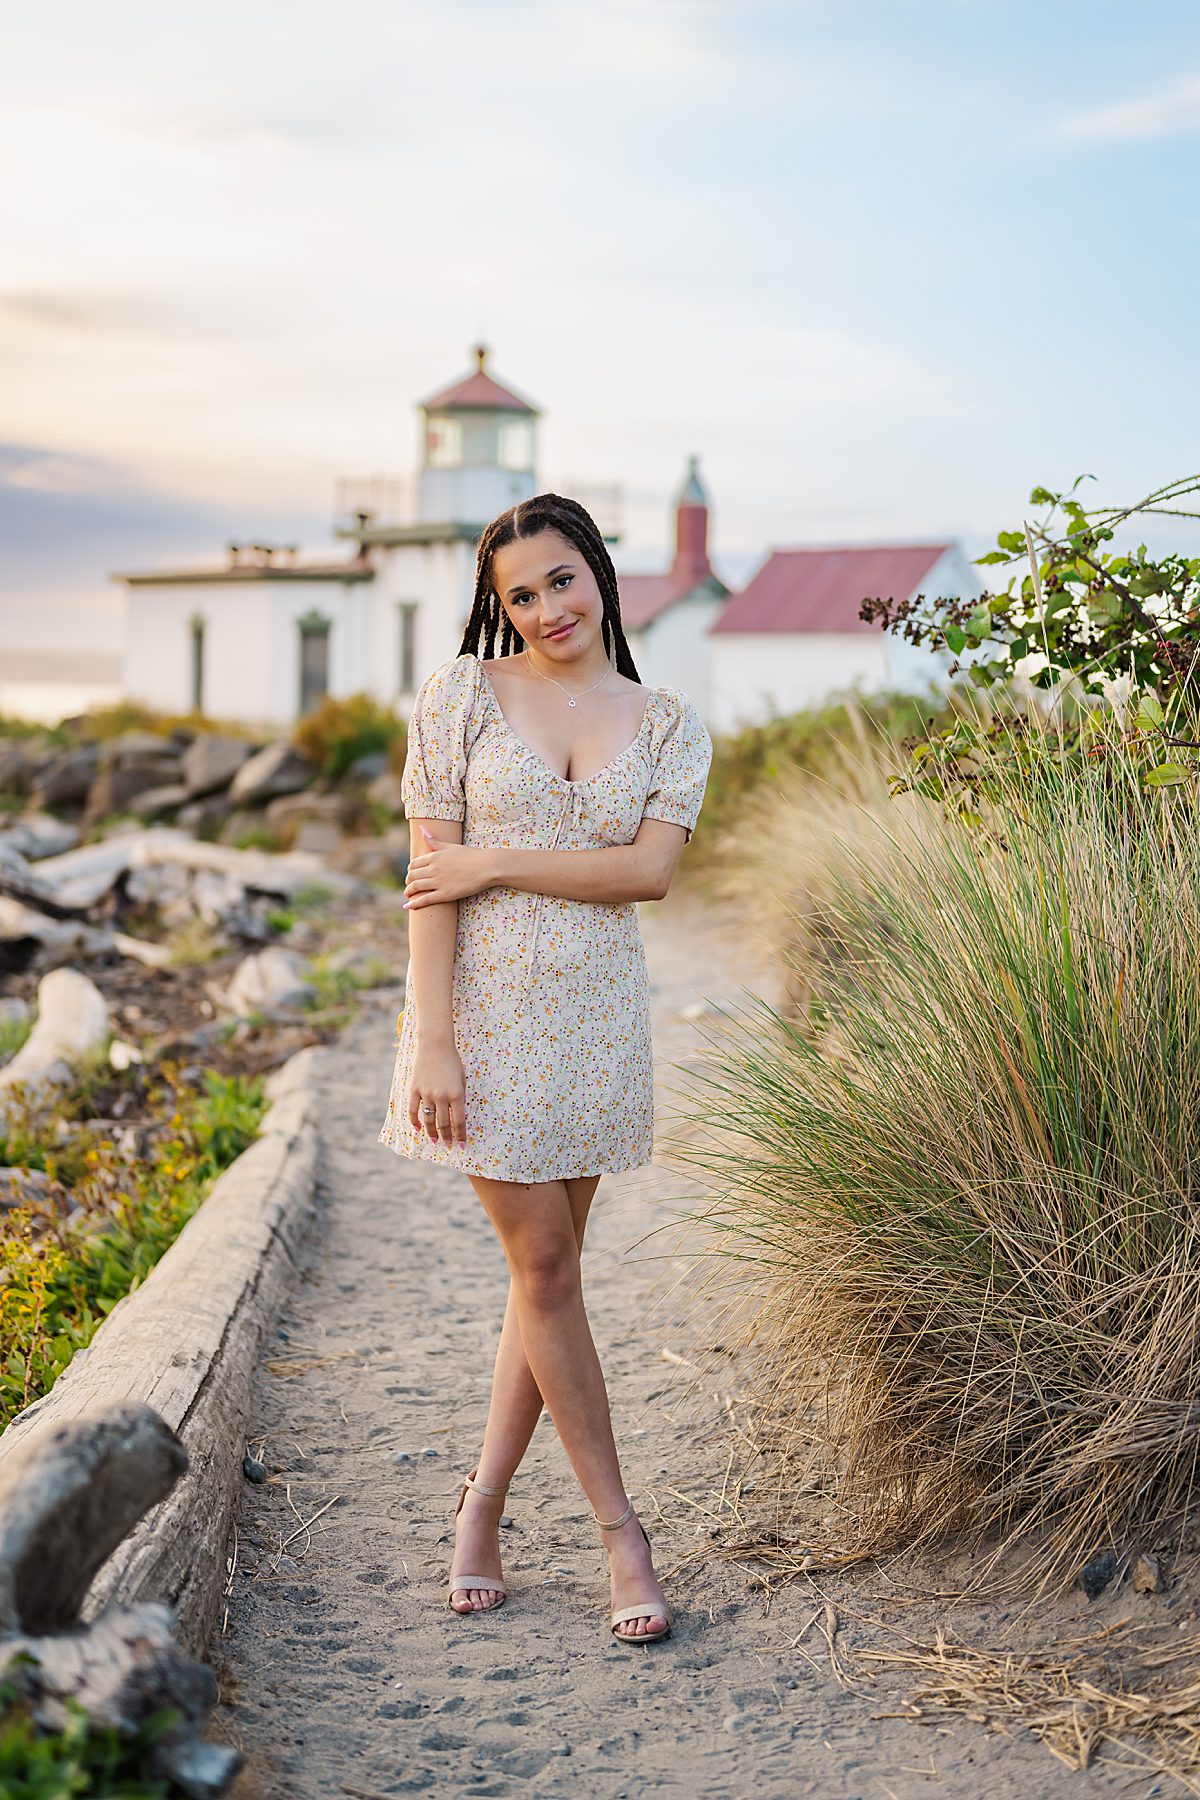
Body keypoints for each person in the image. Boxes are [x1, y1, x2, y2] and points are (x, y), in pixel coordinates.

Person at [378, 492, 712, 1645]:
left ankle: (480, 1510)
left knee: (545, 1280)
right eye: (518, 594)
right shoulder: (462, 697)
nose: (545, 609)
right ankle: (624, 1533)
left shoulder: (667, 721)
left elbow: (647, 876)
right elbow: (430, 880)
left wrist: (496, 860)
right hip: (485, 1023)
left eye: (561, 580)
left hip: (600, 1026)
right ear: (496, 604)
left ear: (599, 572)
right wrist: (432, 1038)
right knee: (551, 1271)